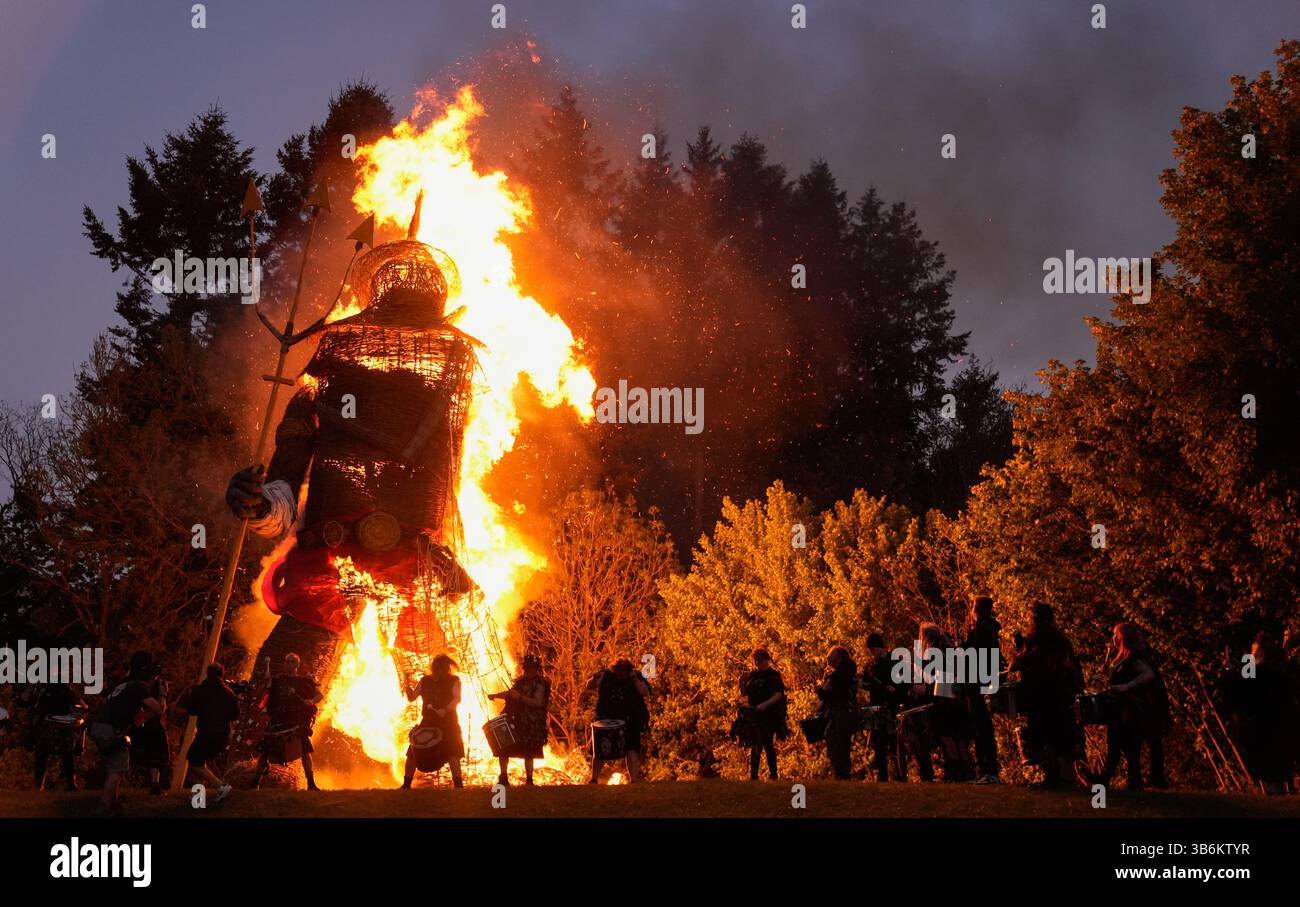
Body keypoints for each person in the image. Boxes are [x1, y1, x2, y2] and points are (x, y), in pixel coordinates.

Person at [1087, 622, 1169, 792]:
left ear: (1123, 637)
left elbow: (1148, 675)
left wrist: (1125, 687)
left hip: (1131, 711)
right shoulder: (1125, 657)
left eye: (1116, 635)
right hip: (1124, 709)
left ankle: (1108, 780)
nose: (1113, 639)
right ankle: (1127, 781)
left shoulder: (1135, 657)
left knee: (1121, 745)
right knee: (1124, 746)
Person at [1010, 603, 1083, 788]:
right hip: (1060, 693)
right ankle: (1064, 777)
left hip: (1043, 693)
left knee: (1046, 733)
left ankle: (1055, 777)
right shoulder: (1060, 639)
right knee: (1060, 734)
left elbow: (1030, 660)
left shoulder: (1041, 639)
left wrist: (1019, 655)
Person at [1222, 632, 1299, 794]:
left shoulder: (1269, 676)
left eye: (1255, 655)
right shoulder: (1264, 672)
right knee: (1272, 762)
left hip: (1268, 724)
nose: (1252, 658)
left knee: (1272, 761)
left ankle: (1277, 791)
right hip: (1266, 723)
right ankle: (1276, 790)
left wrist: (1232, 673)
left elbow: (1242, 690)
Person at [89, 651, 165, 815]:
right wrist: (162, 695)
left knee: (115, 767)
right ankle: (103, 808)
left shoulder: (123, 685)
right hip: (110, 729)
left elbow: (139, 720)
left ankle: (113, 804)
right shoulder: (139, 686)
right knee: (118, 770)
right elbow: (158, 709)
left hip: (100, 727)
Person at [252, 653, 323, 790]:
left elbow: (319, 695)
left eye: (292, 662)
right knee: (265, 752)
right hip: (278, 721)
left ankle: (311, 783)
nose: (289, 665)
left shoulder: (303, 682)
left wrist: (311, 701)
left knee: (305, 752)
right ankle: (255, 782)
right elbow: (266, 684)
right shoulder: (277, 680)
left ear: (297, 665)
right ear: (284, 663)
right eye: (287, 662)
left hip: (296, 723)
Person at [920, 624, 976, 782]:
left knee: (947, 736)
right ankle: (968, 772)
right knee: (960, 737)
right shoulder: (951, 649)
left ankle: (956, 772)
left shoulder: (933, 653)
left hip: (943, 698)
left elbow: (931, 676)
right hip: (957, 698)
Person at [177, 663, 239, 802]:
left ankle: (221, 786)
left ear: (207, 674)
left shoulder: (198, 690)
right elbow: (235, 715)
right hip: (223, 735)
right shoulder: (229, 693)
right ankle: (198, 799)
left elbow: (192, 711)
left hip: (206, 732)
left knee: (193, 760)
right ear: (222, 675)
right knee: (200, 763)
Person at [401, 654, 464, 789]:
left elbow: (457, 699)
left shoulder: (454, 681)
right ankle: (406, 784)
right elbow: (412, 698)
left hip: (449, 722)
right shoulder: (425, 681)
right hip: (428, 721)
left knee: (453, 752)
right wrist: (408, 692)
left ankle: (458, 785)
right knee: (412, 752)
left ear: (446, 669)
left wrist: (446, 710)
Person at [488, 653, 550, 786]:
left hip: (532, 723)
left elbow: (538, 702)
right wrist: (496, 695)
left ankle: (529, 779)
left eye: (532, 668)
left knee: (529, 752)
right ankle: (503, 777)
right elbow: (511, 694)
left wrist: (520, 698)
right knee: (504, 747)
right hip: (517, 720)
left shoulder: (540, 683)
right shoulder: (521, 682)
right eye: (527, 668)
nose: (529, 670)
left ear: (536, 668)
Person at [587, 659, 652, 783]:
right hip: (606, 719)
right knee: (599, 749)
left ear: (629, 670)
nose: (621, 673)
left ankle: (633, 780)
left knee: (631, 749)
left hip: (630, 720)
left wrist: (634, 679)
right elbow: (589, 686)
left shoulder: (635, 677)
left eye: (624, 671)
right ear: (614, 670)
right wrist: (594, 679)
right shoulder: (605, 676)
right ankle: (594, 779)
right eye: (619, 670)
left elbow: (644, 692)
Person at [961, 596, 1002, 783]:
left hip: (975, 682)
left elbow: (972, 655)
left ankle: (987, 770)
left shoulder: (979, 631)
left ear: (975, 610)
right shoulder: (991, 630)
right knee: (983, 726)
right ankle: (988, 770)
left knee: (980, 727)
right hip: (986, 680)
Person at [738, 647, 787, 781]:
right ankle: (753, 776)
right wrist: (741, 682)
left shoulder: (773, 675)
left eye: (760, 659)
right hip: (753, 712)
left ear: (767, 660)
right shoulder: (752, 675)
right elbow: (744, 694)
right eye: (755, 659)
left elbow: (779, 694)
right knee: (754, 744)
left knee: (767, 743)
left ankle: (773, 774)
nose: (757, 661)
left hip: (768, 714)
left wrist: (766, 704)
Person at [862, 633, 904, 782]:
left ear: (879, 648)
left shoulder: (895, 661)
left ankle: (899, 774)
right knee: (878, 744)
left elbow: (902, 684)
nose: (872, 653)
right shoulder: (871, 665)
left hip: (891, 707)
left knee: (894, 743)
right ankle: (882, 775)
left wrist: (893, 689)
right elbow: (865, 683)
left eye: (873, 649)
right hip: (875, 707)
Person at [32, 683, 86, 792]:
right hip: (63, 726)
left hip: (48, 725)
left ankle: (39, 786)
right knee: (67, 755)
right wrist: (83, 707)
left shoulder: (45, 690)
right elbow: (79, 703)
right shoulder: (66, 689)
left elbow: (38, 706)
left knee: (43, 755)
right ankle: (71, 784)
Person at [816, 645, 859, 779]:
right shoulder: (849, 674)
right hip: (847, 715)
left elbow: (835, 696)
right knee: (843, 747)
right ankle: (843, 775)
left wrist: (820, 692)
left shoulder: (838, 676)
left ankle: (841, 775)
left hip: (837, 716)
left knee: (836, 747)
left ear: (838, 658)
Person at [131, 667, 171, 795]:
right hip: (150, 725)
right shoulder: (145, 690)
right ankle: (155, 784)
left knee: (154, 757)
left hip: (146, 725)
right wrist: (163, 694)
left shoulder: (138, 687)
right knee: (160, 756)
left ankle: (155, 784)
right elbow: (161, 708)